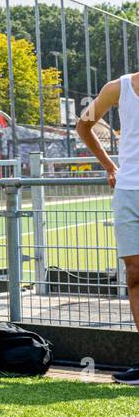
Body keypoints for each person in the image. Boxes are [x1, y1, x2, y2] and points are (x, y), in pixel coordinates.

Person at [74, 75, 139, 384]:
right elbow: (83, 125)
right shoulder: (117, 88)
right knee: (135, 274)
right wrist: (110, 166)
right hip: (128, 193)